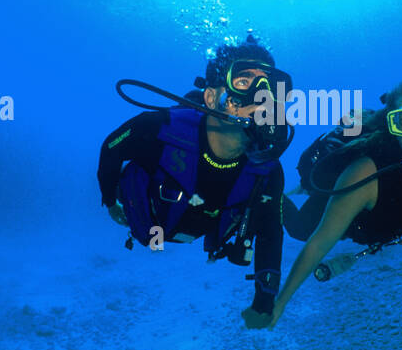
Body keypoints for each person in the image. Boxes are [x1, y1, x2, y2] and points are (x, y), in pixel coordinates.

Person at [97, 35, 288, 329]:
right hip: (154, 217)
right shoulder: (158, 128)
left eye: (270, 85)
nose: (261, 95)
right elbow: (111, 148)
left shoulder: (268, 170)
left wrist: (264, 300)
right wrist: (110, 201)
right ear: (211, 97)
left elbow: (271, 232)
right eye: (244, 80)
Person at [270, 73, 402, 328]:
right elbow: (320, 244)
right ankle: (272, 193)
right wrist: (281, 302)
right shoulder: (366, 173)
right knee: (299, 230)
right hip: (348, 208)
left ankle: (301, 190)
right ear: (391, 126)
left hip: (374, 217)